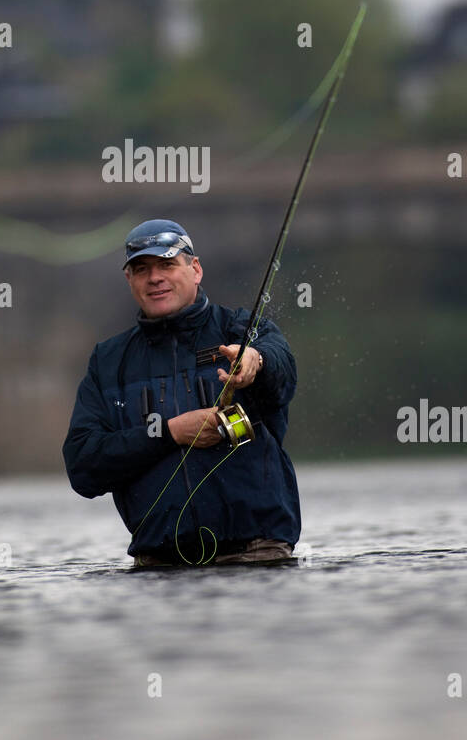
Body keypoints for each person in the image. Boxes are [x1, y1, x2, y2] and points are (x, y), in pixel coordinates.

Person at [62, 219, 301, 566]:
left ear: (195, 269)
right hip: (158, 566)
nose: (155, 277)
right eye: (142, 269)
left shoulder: (245, 330)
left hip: (258, 556)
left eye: (166, 265)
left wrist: (255, 362)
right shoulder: (108, 361)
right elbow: (83, 467)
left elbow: (283, 371)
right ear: (130, 280)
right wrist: (170, 433)